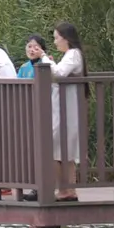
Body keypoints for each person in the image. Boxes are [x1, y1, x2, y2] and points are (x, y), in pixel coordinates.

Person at [50, 21, 85, 200]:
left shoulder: (72, 54)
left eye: (57, 38)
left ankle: (65, 189)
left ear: (66, 38)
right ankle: (69, 190)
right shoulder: (72, 54)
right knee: (67, 151)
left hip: (66, 109)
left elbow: (59, 74)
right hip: (66, 108)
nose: (55, 42)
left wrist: (45, 62)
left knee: (54, 148)